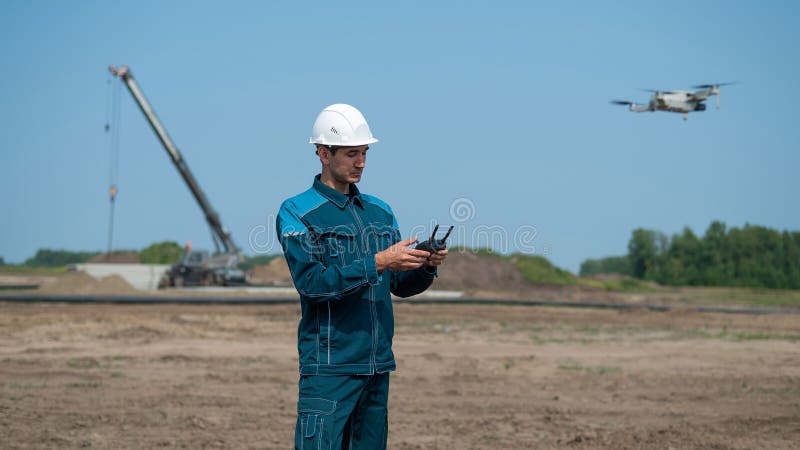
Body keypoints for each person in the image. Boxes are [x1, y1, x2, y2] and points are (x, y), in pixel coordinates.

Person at [276, 104, 447, 449]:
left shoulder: (380, 212)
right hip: (330, 369)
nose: (361, 163)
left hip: (377, 366)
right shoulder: (296, 212)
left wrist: (426, 265)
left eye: (365, 153)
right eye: (352, 153)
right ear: (324, 153)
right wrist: (379, 262)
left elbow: (398, 286)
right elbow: (312, 284)